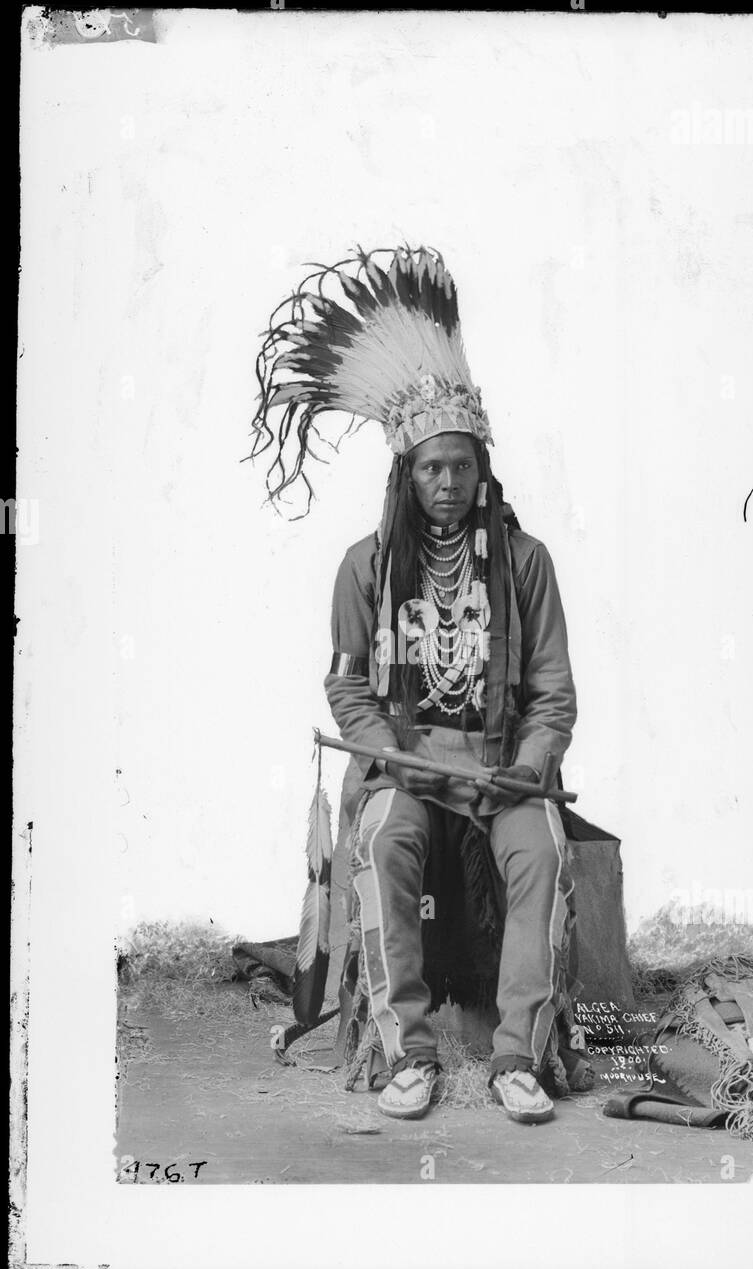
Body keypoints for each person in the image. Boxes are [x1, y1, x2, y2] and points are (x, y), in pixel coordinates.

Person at [251, 245, 578, 1123]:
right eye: (432, 468)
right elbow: (348, 689)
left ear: (481, 471)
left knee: (542, 852)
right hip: (405, 765)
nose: (448, 483)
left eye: (461, 466)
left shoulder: (524, 562)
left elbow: (552, 691)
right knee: (383, 841)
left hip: (502, 767)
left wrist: (530, 766)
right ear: (406, 472)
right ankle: (409, 1052)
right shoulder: (365, 567)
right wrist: (390, 756)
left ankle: (518, 1056)